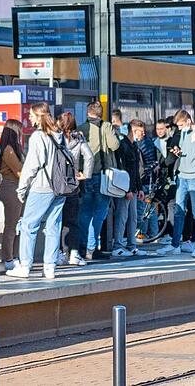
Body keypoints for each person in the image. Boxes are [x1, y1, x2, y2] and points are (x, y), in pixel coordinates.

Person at [7, 103, 68, 279]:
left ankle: (25, 265)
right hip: (59, 187)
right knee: (53, 226)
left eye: (32, 115)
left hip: (42, 186)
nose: (29, 118)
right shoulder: (58, 136)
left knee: (28, 225)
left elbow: (32, 165)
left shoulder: (38, 137)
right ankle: (50, 267)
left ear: (39, 116)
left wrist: (22, 187)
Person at [157, 110, 195, 258]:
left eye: (180, 125)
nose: (179, 129)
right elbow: (184, 151)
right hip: (182, 176)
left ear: (188, 121)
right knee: (179, 212)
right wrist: (177, 151)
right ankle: (175, 245)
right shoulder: (183, 133)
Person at [76, 102, 119, 259]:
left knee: (85, 212)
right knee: (100, 213)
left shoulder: (80, 128)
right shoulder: (106, 126)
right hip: (102, 176)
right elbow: (114, 145)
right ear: (101, 113)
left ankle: (82, 246)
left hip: (85, 176)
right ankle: (92, 248)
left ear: (88, 112)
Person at [58, 113, 93, 266]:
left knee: (57, 220)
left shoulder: (55, 138)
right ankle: (73, 253)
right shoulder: (79, 139)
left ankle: (59, 253)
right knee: (73, 220)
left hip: (57, 184)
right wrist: (85, 174)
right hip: (73, 183)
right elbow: (90, 157)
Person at [113, 120, 146, 257]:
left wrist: (139, 188)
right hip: (125, 189)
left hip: (132, 188)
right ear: (133, 130)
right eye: (140, 131)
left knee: (132, 217)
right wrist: (127, 190)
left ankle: (131, 245)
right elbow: (123, 169)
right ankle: (118, 245)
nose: (143, 134)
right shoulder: (124, 146)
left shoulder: (134, 146)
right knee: (122, 216)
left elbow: (136, 170)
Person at [0, 119, 24, 270]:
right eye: (19, 130)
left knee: (17, 225)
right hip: (11, 187)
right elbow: (19, 171)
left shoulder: (13, 148)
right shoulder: (9, 150)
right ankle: (8, 258)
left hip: (14, 187)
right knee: (11, 226)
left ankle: (14, 255)